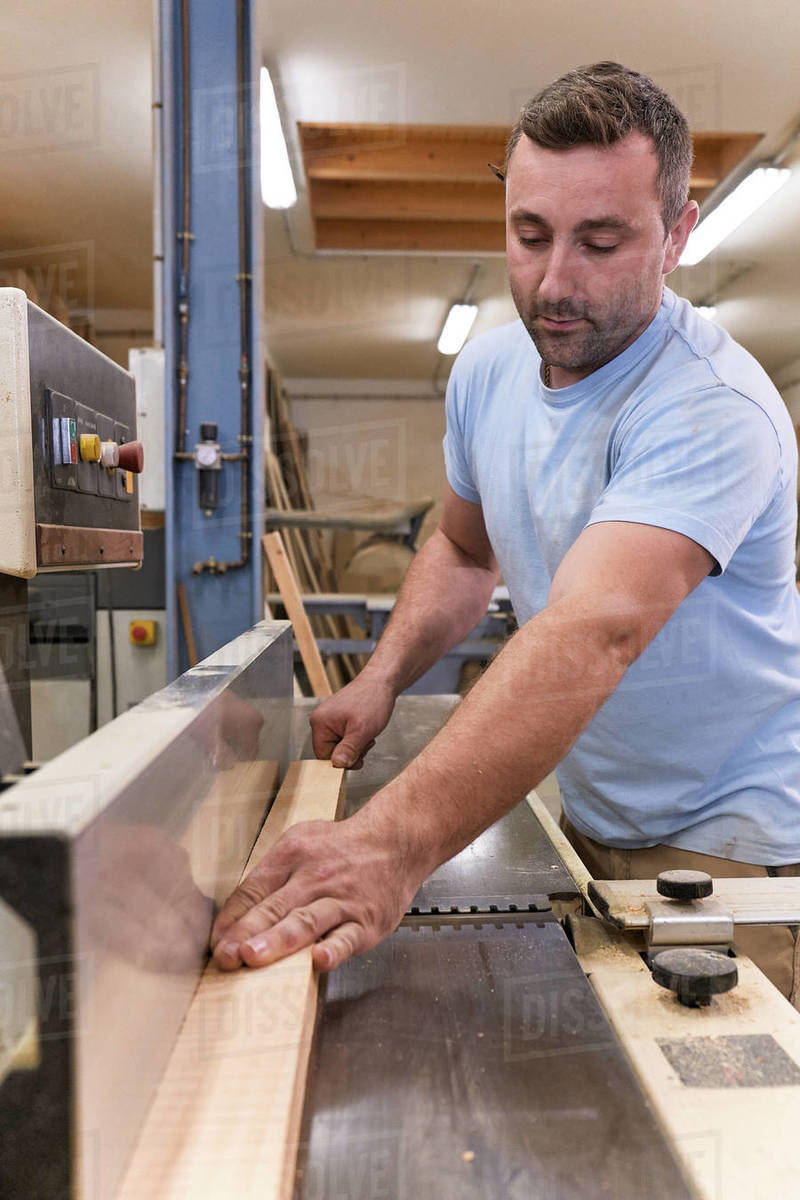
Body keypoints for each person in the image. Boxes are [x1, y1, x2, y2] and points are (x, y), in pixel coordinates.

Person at [211, 62, 800, 1001]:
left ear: (678, 234)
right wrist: (382, 679)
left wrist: (389, 846)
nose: (555, 282)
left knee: (720, 1129)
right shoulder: (489, 373)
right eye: (530, 236)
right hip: (594, 809)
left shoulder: (709, 407)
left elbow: (590, 631)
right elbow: (460, 547)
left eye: (601, 242)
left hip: (734, 848)